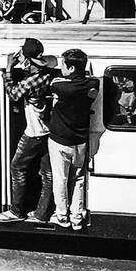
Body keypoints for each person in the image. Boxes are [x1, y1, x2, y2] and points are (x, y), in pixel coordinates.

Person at [0, 43, 59, 222]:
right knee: (47, 174)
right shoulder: (48, 75)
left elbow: (13, 95)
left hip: (34, 132)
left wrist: (9, 69)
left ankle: (16, 211)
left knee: (17, 167)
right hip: (50, 132)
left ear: (27, 59)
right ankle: (43, 212)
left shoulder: (31, 80)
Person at [47, 47, 99, 231]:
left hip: (60, 141)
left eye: (63, 65)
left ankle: (62, 216)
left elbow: (53, 84)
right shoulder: (93, 84)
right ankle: (77, 218)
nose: (61, 68)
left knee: (60, 180)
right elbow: (91, 79)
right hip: (80, 142)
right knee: (78, 179)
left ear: (71, 69)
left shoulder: (59, 86)